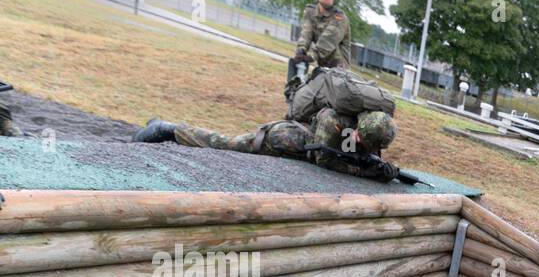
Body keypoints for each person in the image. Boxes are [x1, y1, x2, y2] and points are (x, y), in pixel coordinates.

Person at [130, 104, 400, 182]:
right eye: (360, 138)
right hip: (278, 140)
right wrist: (365, 172)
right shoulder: (334, 122)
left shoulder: (367, 127)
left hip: (295, 146)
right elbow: (327, 160)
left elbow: (357, 155)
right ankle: (168, 129)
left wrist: (379, 166)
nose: (358, 142)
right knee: (222, 143)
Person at [295, 0, 352, 71]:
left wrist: (311, 56)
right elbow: (306, 33)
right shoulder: (310, 12)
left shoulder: (339, 18)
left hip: (339, 69)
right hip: (322, 66)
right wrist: (301, 49)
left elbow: (328, 41)